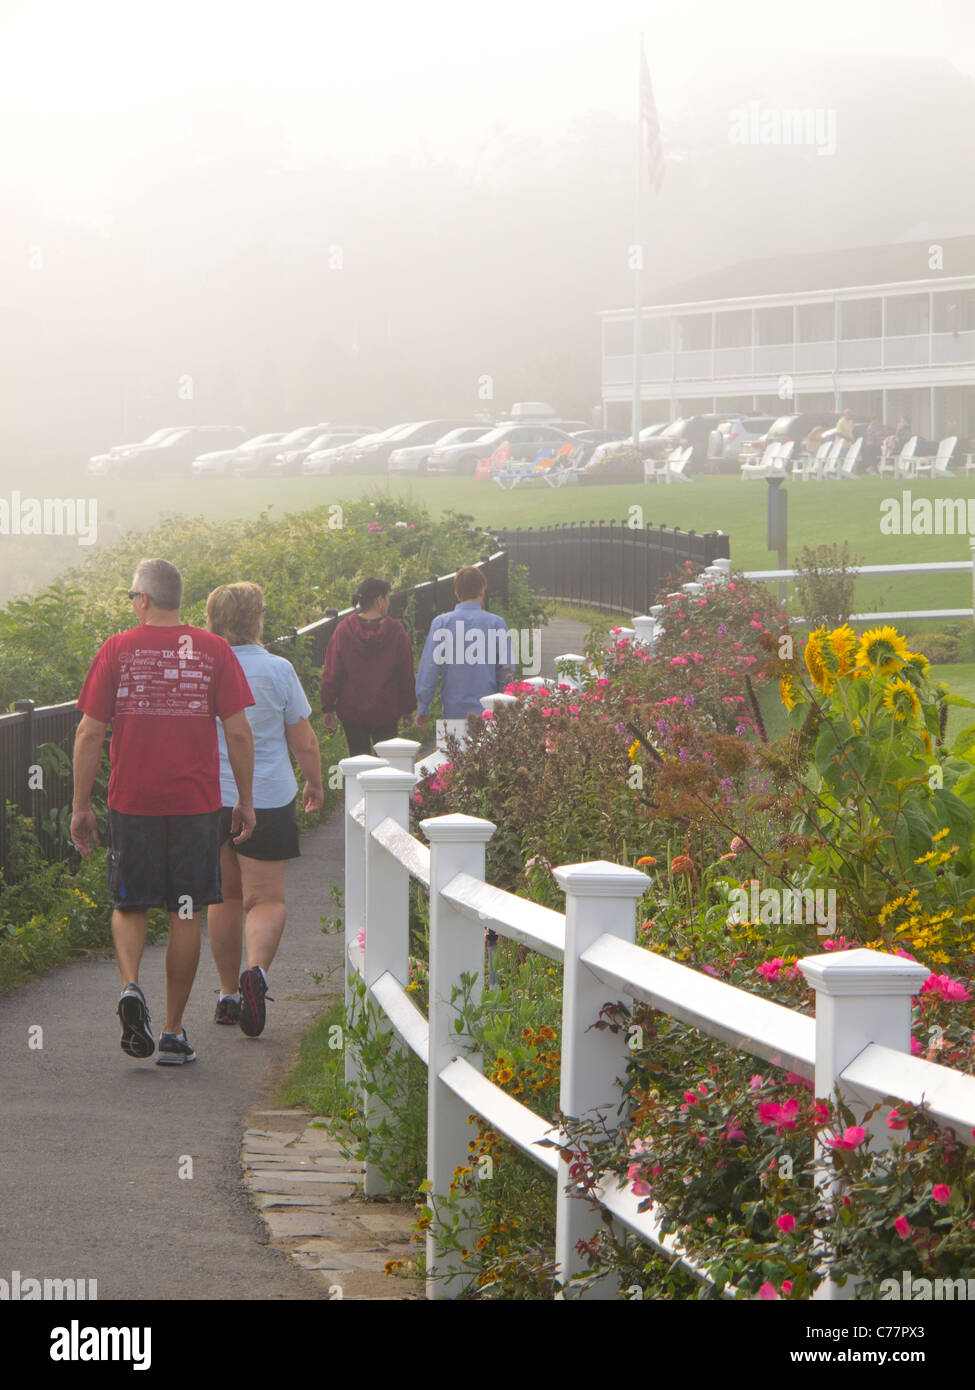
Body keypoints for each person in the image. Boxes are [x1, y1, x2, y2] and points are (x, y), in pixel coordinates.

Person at [71, 559, 256, 1065]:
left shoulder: (116, 649)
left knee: (129, 905)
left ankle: (132, 987)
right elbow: (239, 732)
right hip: (196, 805)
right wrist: (244, 798)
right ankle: (173, 1033)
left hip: (132, 802)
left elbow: (90, 732)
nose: (132, 601)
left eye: (133, 594)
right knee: (185, 912)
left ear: (145, 599)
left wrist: (80, 804)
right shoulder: (215, 651)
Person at [204, 582, 324, 1035]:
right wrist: (315, 782)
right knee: (266, 898)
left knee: (225, 897)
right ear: (256, 619)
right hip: (269, 795)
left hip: (213, 796)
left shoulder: (204, 668)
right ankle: (254, 971)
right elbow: (304, 740)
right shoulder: (278, 669)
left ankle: (226, 995)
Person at [320, 577, 417, 755]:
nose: (389, 603)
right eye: (388, 598)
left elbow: (332, 671)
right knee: (388, 764)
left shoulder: (344, 629)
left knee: (359, 764)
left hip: (352, 712)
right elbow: (406, 673)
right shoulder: (396, 631)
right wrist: (407, 708)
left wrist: (328, 707)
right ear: (379, 600)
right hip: (387, 710)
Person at [415, 565, 514, 731]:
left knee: (454, 754)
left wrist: (423, 707)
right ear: (482, 590)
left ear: (456, 592)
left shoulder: (441, 623)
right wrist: (504, 702)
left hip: (454, 710)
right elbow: (506, 669)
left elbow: (429, 668)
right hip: (488, 710)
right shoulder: (497, 623)